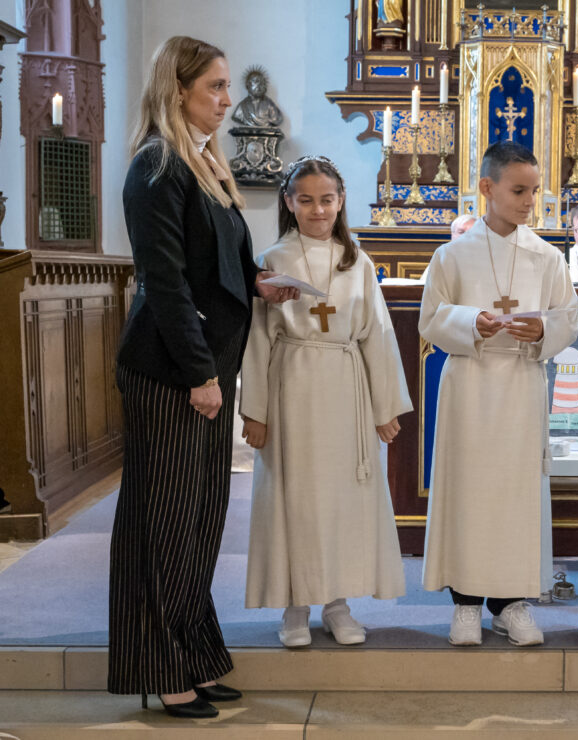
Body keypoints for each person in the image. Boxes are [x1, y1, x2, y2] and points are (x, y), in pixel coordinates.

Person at [109, 36, 298, 719]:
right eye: (214, 87)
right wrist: (198, 374)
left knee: (200, 520)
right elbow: (163, 282)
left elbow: (212, 259)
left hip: (207, 367)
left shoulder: (203, 163)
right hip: (170, 372)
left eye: (224, 86)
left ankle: (192, 651)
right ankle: (164, 670)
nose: (226, 99)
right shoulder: (157, 166)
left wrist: (258, 284)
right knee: (162, 523)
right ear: (177, 88)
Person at [240, 156, 412, 647]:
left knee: (341, 497)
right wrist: (255, 409)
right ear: (289, 202)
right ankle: (295, 605)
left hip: (345, 386)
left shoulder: (357, 262)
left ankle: (337, 602)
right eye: (307, 200)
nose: (319, 210)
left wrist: (385, 408)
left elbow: (377, 335)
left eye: (328, 200)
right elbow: (257, 337)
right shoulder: (273, 259)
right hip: (290, 385)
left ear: (341, 203)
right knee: (295, 494)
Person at [419, 142, 578, 647]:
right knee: (469, 491)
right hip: (471, 380)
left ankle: (511, 605)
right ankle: (465, 603)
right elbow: (431, 320)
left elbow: (567, 317)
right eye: (518, 190)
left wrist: (543, 333)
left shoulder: (547, 256)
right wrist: (473, 322)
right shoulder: (452, 254)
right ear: (487, 188)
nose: (529, 200)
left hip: (520, 384)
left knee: (516, 495)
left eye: (533, 190)